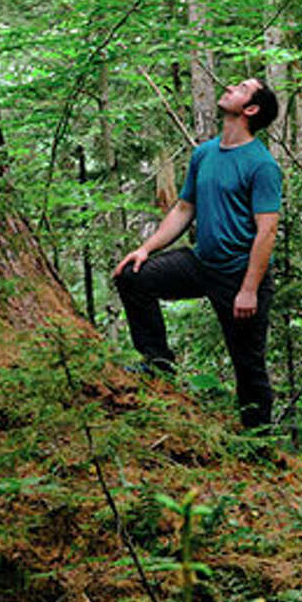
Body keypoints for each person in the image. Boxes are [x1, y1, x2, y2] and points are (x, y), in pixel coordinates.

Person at [114, 77, 283, 429]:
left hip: (240, 275)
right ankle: (158, 363)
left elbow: (267, 231)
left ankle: (258, 445)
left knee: (248, 367)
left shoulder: (262, 164)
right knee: (133, 278)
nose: (229, 87)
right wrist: (144, 249)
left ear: (250, 109)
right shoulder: (204, 153)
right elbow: (183, 210)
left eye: (240, 88)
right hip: (201, 262)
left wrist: (249, 288)